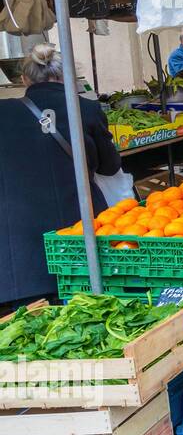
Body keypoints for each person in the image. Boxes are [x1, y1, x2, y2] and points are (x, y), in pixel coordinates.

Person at [0, 44, 122, 305]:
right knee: (85, 305)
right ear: (66, 76)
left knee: (30, 324)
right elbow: (109, 167)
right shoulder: (86, 109)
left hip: (20, 236)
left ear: (24, 79)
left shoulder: (4, 111)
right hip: (77, 224)